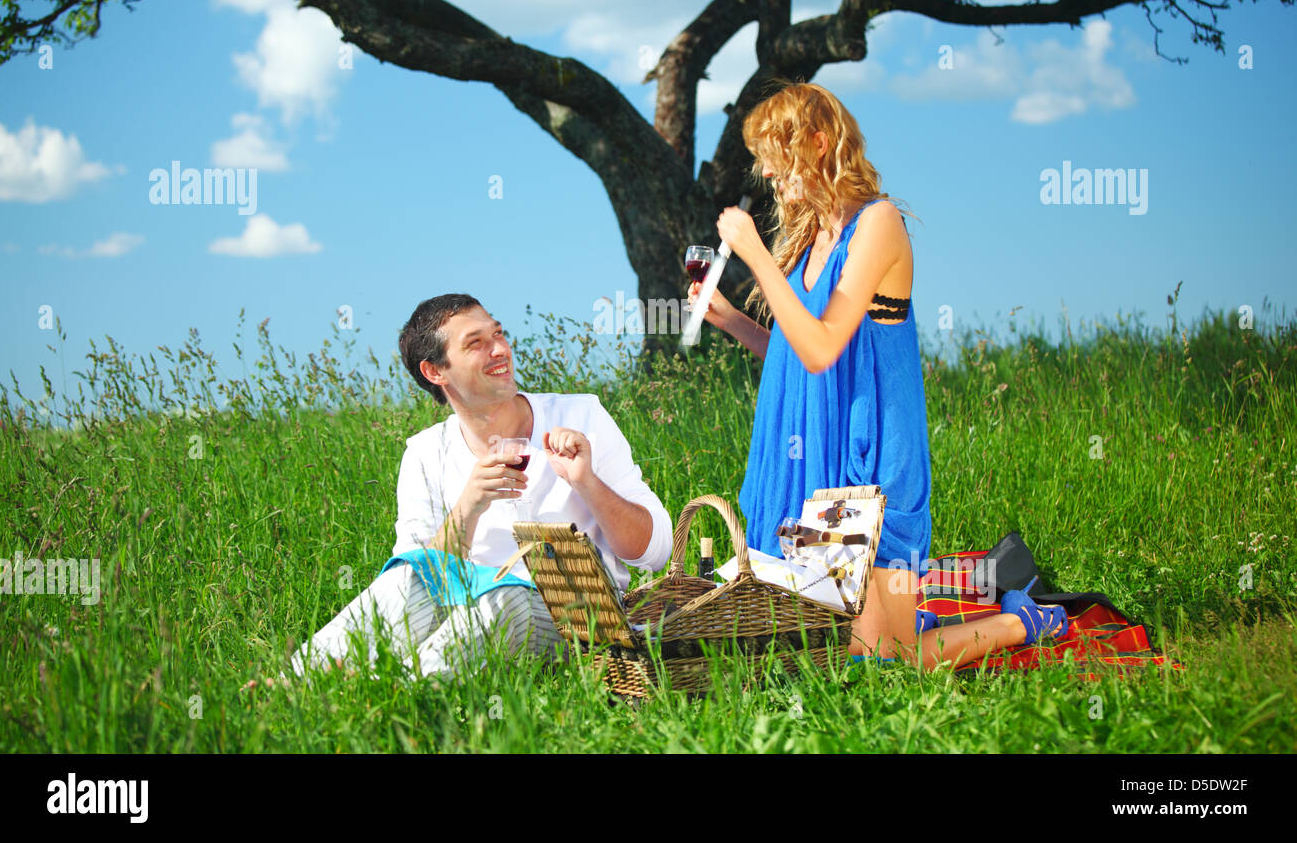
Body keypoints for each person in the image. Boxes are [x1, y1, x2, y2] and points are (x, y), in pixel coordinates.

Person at [690, 80, 1066, 669]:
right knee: (817, 655)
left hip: (871, 465)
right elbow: (804, 359)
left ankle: (1023, 618)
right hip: (813, 460)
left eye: (774, 155)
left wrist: (755, 257)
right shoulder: (812, 237)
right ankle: (917, 603)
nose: (765, 173)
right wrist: (734, 321)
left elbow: (820, 349)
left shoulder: (879, 224)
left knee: (878, 660)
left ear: (818, 144)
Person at [289, 294, 673, 681]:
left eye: (499, 334)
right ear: (435, 371)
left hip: (583, 613)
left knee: (506, 598)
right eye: (476, 343)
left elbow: (654, 552)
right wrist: (469, 506)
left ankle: (394, 689)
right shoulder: (425, 452)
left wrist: (586, 482)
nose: (500, 350)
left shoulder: (580, 416)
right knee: (407, 578)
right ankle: (297, 681)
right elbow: (420, 577)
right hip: (469, 608)